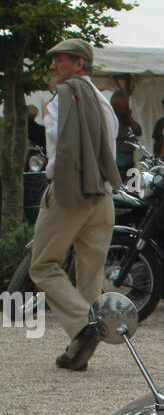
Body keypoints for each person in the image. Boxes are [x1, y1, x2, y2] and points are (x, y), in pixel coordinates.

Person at [29, 38, 121, 371]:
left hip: (71, 193)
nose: (53, 66)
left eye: (60, 60)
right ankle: (77, 351)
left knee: (42, 265)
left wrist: (62, 187)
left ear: (79, 64)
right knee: (90, 274)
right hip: (103, 193)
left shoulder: (61, 100)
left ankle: (83, 326)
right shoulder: (104, 101)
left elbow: (58, 154)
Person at [111, 91, 142, 175]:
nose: (127, 106)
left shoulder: (125, 117)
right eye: (124, 103)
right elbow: (119, 133)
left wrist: (129, 118)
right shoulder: (112, 116)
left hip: (128, 157)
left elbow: (138, 131)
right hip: (119, 156)